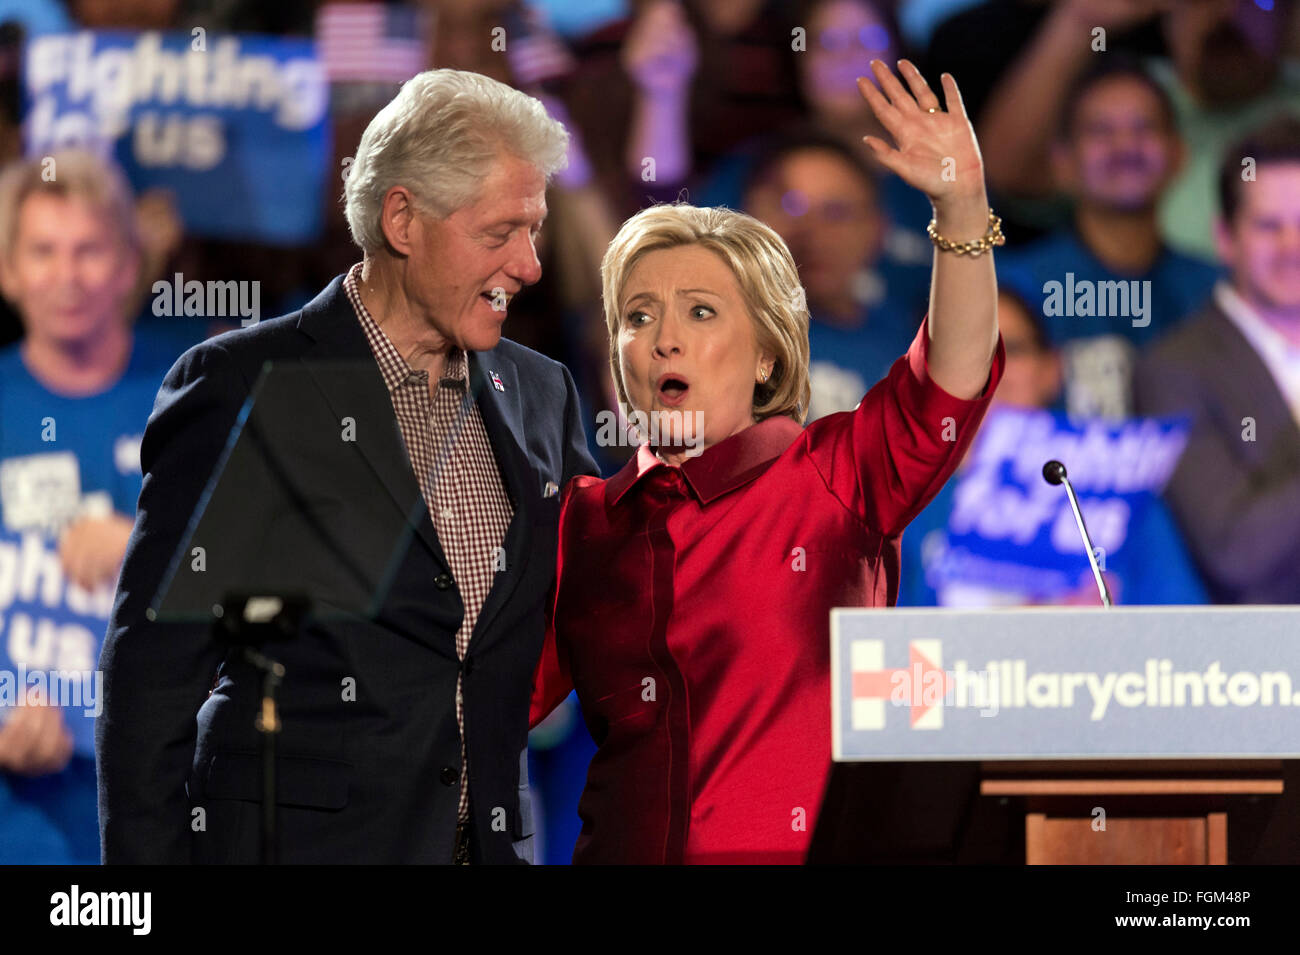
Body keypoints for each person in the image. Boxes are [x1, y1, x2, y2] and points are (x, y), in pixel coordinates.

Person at [96, 69, 598, 864]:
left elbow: (607, 610)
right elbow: (151, 680)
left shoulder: (543, 392)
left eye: (533, 230)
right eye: (501, 231)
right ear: (403, 218)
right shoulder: (244, 386)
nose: (530, 264)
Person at [530, 60, 1005, 863]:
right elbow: (480, 707)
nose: (664, 337)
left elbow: (948, 383)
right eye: (638, 315)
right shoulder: (581, 520)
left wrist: (960, 206)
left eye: (701, 311)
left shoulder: (837, 474)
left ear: (764, 355)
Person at [0, 150, 202, 863]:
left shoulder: (197, 393)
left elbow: (282, 583)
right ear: (8, 270)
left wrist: (148, 547)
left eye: (90, 250)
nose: (67, 276)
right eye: (43, 251)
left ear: (128, 264)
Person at [898, 287, 1208, 608]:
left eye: (1011, 349)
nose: (988, 370)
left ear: (1052, 369)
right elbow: (876, 645)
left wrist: (1110, 627)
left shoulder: (1120, 497)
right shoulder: (895, 507)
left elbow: (1185, 631)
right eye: (962, 352)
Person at [995, 58, 1220, 419]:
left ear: (1178, 154)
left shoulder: (1217, 289)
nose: (1125, 146)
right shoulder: (1015, 290)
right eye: (1101, 131)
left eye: (1144, 127)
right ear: (1063, 162)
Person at [1134, 116, 1300, 604]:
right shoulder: (1174, 368)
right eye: (1270, 226)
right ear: (1225, 238)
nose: (1292, 246)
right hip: (1263, 665)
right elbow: (1234, 550)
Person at [742, 131, 923, 420]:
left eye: (836, 212)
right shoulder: (724, 338)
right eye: (790, 206)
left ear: (877, 230)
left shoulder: (910, 343)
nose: (811, 232)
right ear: (747, 217)